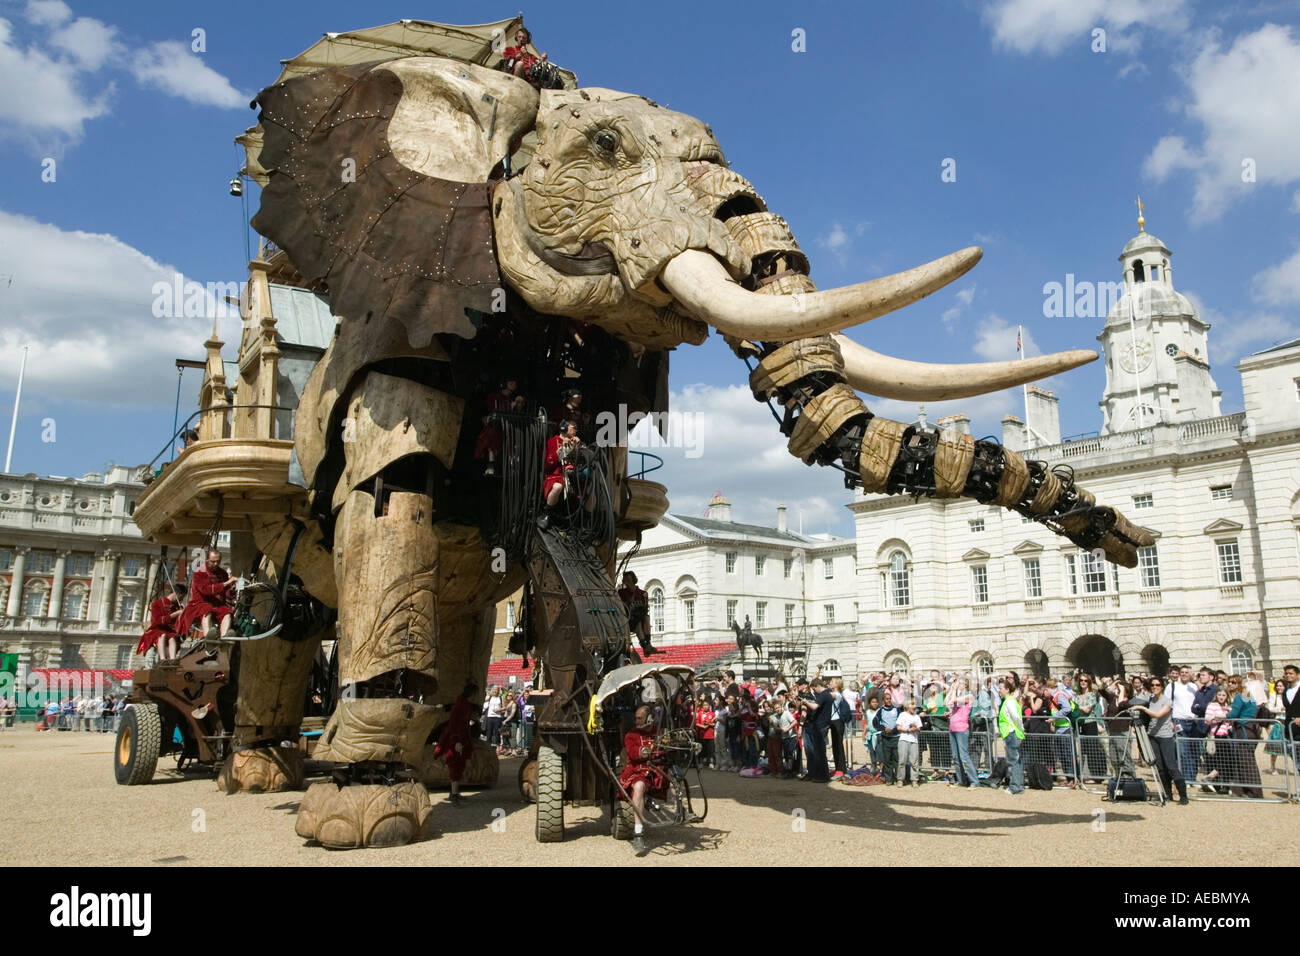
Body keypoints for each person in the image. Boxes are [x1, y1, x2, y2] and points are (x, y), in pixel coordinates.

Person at [1129, 677, 1189, 805]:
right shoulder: (1149, 700)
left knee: (1171, 766)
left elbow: (1158, 715)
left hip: (1165, 736)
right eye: (1152, 685)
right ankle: (1167, 794)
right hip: (1152, 736)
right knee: (1160, 767)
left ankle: (1183, 795)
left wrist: (1142, 708)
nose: (1155, 687)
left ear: (1162, 687)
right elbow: (1132, 702)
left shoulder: (1167, 701)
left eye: (1157, 685)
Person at [620, 705, 669, 857]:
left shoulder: (659, 733)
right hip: (637, 771)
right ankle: (638, 832)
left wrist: (669, 745)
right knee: (639, 786)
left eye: (639, 718)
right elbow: (635, 754)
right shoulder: (631, 735)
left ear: (649, 718)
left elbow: (666, 753)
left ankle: (686, 812)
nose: (636, 721)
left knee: (676, 776)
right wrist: (650, 751)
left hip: (656, 773)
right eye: (636, 718)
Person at [178, 550, 236, 643]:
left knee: (227, 613)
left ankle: (224, 639)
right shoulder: (199, 573)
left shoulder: (223, 573)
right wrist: (225, 584)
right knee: (207, 610)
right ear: (207, 560)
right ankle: (209, 639)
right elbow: (205, 590)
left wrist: (233, 589)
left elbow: (226, 593)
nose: (216, 564)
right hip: (199, 603)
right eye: (213, 561)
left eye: (218, 561)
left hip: (217, 604)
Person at [435, 682, 476, 806]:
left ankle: (455, 792)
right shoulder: (459, 705)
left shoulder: (465, 704)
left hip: (462, 738)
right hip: (457, 739)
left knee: (460, 765)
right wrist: (456, 741)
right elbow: (454, 724)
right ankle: (453, 794)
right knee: (455, 765)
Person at [139, 583, 187, 664]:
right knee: (162, 635)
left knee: (172, 637)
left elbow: (179, 624)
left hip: (169, 632)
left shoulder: (177, 607)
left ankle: (172, 660)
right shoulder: (156, 604)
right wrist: (175, 614)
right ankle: (163, 659)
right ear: (177, 595)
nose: (181, 600)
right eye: (181, 598)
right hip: (156, 630)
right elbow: (157, 621)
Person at [799, 677, 834, 782]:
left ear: (817, 686)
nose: (814, 691)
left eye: (814, 689)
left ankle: (823, 776)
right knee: (818, 752)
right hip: (821, 725)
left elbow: (814, 707)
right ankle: (819, 775)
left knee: (820, 752)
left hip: (821, 725)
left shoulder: (824, 695)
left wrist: (805, 701)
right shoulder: (827, 694)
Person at [947, 680, 980, 788]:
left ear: (965, 685)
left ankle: (974, 781)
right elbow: (946, 702)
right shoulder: (958, 695)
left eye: (960, 683)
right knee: (956, 757)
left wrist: (954, 689)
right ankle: (961, 781)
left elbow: (954, 700)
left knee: (964, 756)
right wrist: (952, 689)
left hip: (962, 729)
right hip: (953, 728)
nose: (958, 685)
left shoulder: (969, 696)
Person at [617, 571, 658, 656]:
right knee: (638, 623)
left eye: (628, 580)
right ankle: (644, 646)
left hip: (640, 617)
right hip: (628, 620)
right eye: (625, 580)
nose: (626, 583)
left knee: (646, 618)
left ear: (633, 580)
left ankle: (648, 644)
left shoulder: (642, 593)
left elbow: (645, 609)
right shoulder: (621, 593)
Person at [998, 675, 1026, 795]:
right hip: (1012, 732)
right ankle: (1018, 785)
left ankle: (1015, 786)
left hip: (1011, 733)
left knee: (1013, 761)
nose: (999, 690)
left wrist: (1021, 727)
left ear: (1007, 689)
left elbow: (1015, 717)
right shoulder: (1010, 701)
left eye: (1001, 688)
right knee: (1017, 761)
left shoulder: (1009, 701)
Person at [873, 690, 901, 784]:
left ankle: (898, 778)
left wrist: (892, 730)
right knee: (887, 759)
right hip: (886, 738)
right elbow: (875, 723)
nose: (889, 701)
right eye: (887, 699)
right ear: (883, 700)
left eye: (890, 699)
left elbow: (900, 722)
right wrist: (884, 729)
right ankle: (889, 779)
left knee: (896, 759)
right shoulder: (880, 711)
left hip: (896, 737)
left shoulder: (896, 710)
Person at [896, 699, 922, 787]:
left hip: (914, 740)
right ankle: (900, 779)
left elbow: (919, 729)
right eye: (912, 704)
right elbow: (898, 727)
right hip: (903, 739)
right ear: (907, 706)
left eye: (914, 704)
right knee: (902, 760)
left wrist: (915, 728)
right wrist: (908, 730)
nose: (914, 706)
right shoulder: (902, 715)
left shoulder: (916, 716)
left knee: (914, 761)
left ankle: (914, 779)